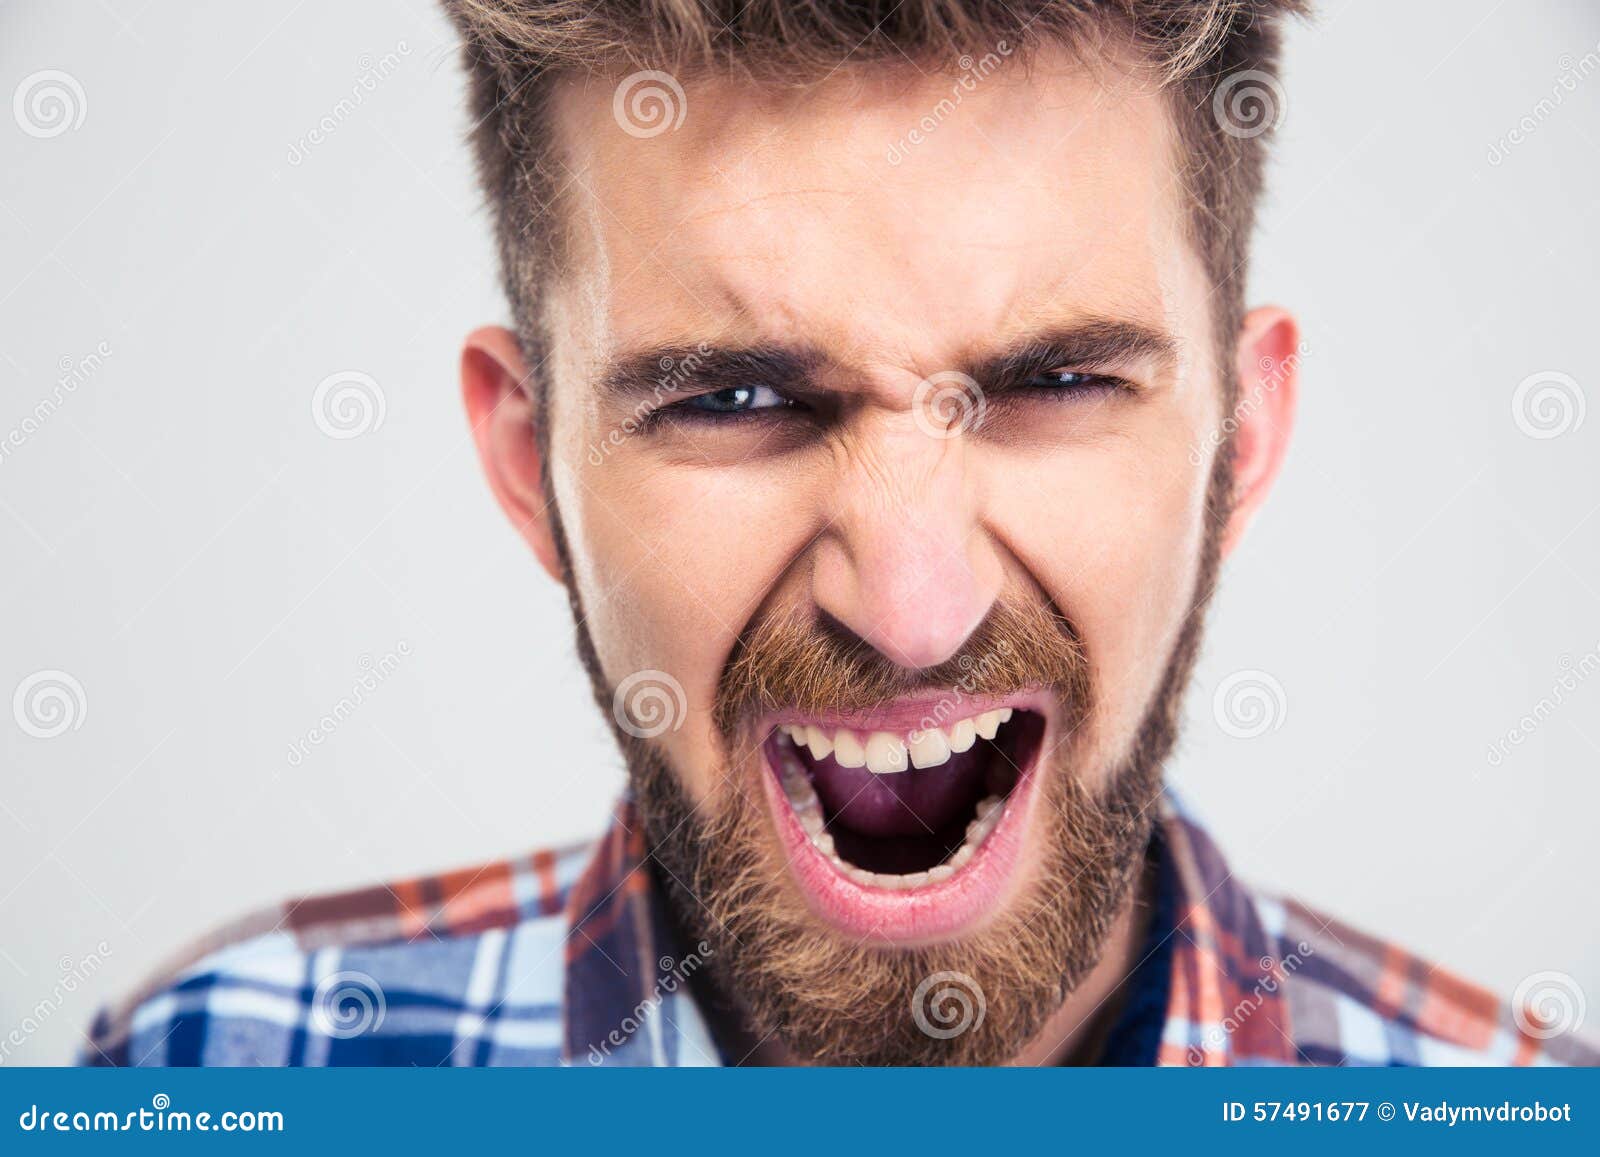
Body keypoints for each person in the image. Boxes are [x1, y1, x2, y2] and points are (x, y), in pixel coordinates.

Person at [85, 0, 1597, 1067]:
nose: (913, 604)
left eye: (1055, 382)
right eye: (735, 397)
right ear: (529, 459)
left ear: (1242, 441)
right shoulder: (219, 1073)